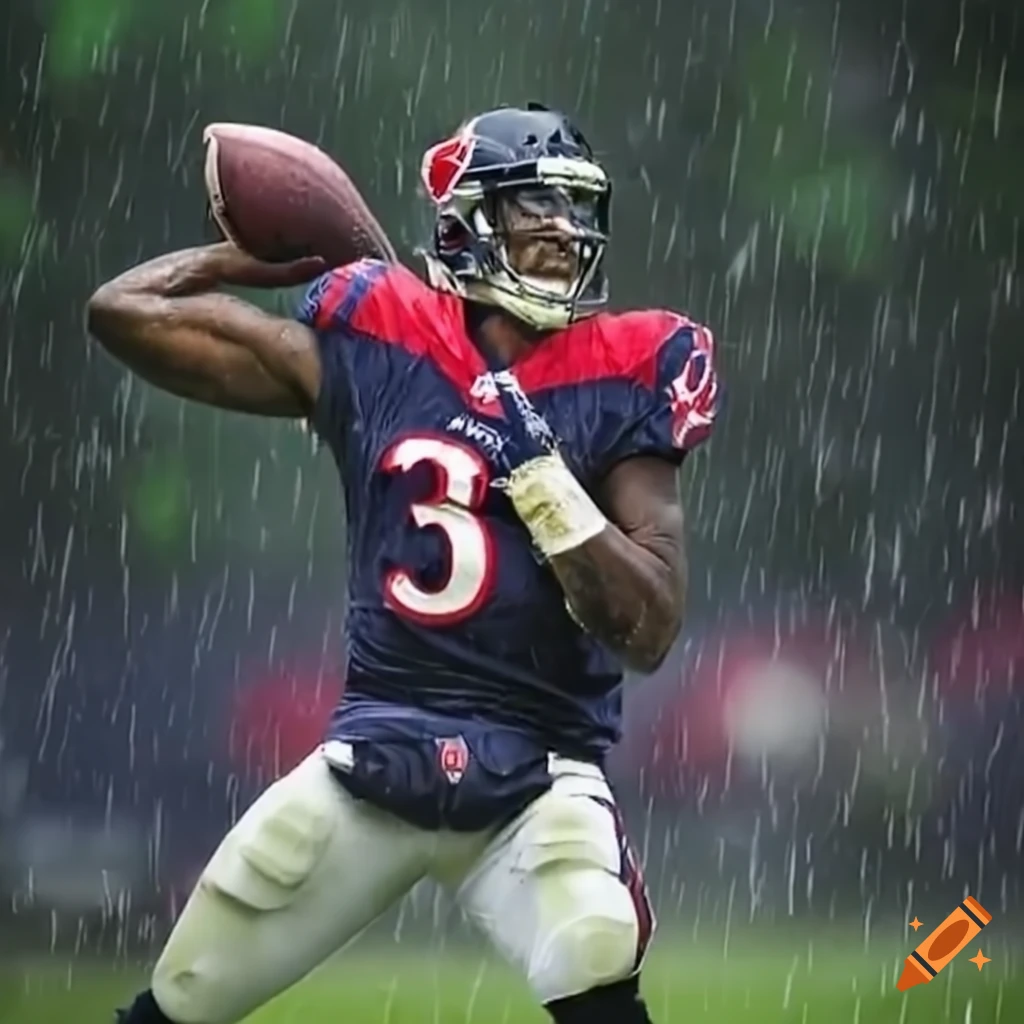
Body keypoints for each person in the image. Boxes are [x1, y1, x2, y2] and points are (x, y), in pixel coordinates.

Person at [88, 103, 721, 1024]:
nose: (563, 229)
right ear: (468, 223)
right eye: (533, 205)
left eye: (574, 208)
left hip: (537, 770)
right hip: (378, 756)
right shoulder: (381, 340)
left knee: (593, 949)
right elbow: (124, 313)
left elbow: (650, 626)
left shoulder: (623, 368)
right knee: (185, 993)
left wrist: (546, 487)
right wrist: (253, 258)